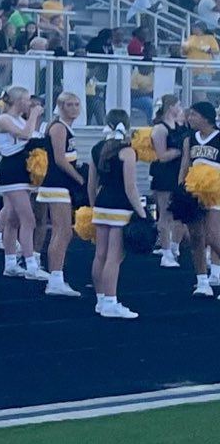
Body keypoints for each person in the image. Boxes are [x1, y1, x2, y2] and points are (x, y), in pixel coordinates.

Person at [86, 111, 143, 320]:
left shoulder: (97, 149)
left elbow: (91, 184)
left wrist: (93, 208)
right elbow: (131, 187)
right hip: (120, 207)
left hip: (101, 205)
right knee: (114, 257)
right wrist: (142, 213)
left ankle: (101, 299)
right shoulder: (127, 151)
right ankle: (111, 301)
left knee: (100, 254)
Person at [0, 87, 46, 282]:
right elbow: (25, 134)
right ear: (17, 101)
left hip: (22, 169)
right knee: (28, 219)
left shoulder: (21, 120)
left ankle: (11, 264)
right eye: (26, 100)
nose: (29, 104)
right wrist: (33, 116)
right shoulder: (4, 119)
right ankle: (31, 264)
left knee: (14, 220)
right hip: (12, 170)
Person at [39, 91, 87, 298]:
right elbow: (59, 159)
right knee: (62, 231)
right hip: (57, 183)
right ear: (60, 107)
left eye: (77, 104)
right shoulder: (58, 128)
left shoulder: (66, 128)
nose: (74, 108)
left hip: (60, 184)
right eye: (69, 105)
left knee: (63, 231)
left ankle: (56, 277)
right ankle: (55, 279)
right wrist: (79, 179)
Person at [185, 101, 220, 299]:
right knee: (196, 237)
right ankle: (202, 281)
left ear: (205, 117)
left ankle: (216, 273)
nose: (190, 118)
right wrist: (181, 188)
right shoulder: (190, 139)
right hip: (194, 192)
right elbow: (185, 166)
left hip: (216, 193)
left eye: (194, 115)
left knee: (214, 236)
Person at [148, 96, 187, 269]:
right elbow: (161, 155)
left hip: (179, 173)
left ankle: (174, 246)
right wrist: (181, 151)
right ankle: (165, 252)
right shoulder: (159, 129)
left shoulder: (179, 126)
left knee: (180, 213)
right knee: (164, 214)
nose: (180, 108)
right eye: (178, 105)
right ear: (170, 107)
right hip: (164, 175)